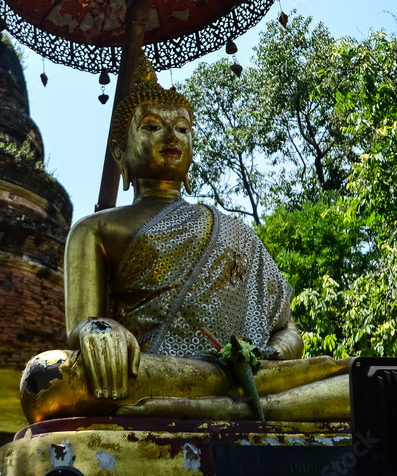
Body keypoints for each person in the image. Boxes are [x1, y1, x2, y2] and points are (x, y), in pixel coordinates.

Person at [20, 54, 349, 423]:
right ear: (119, 152)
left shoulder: (234, 231)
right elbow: (81, 325)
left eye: (182, 128)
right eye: (151, 127)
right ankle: (245, 407)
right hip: (150, 371)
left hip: (242, 376)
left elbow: (288, 330)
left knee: (357, 382)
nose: (170, 136)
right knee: (47, 378)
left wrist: (267, 356)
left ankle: (238, 400)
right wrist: (101, 328)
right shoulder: (94, 229)